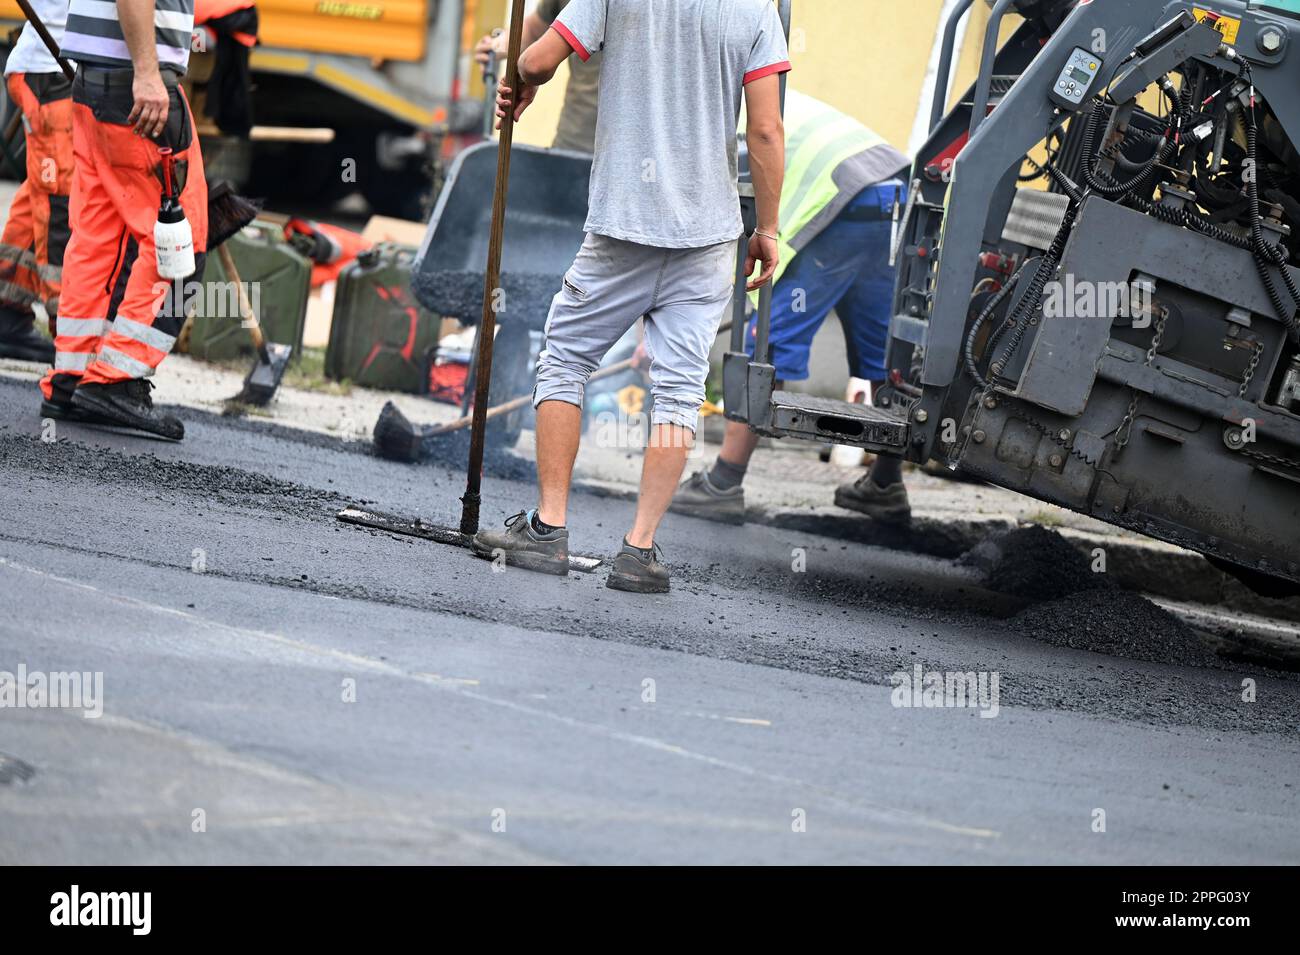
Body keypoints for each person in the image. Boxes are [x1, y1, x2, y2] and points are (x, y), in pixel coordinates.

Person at [471, 0, 790, 595]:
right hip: (707, 235)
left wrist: (521, 80)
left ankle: (548, 531)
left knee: (566, 359)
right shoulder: (757, 11)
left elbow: (539, 59)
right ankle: (638, 551)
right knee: (678, 391)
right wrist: (766, 229)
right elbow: (767, 129)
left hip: (623, 225)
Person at [671, 90, 914, 525]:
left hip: (839, 207)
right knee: (884, 355)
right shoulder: (760, 92)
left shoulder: (718, 115)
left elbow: (718, 220)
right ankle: (885, 484)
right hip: (891, 200)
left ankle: (723, 483)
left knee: (766, 340)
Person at [38, 0, 208, 439]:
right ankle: (116, 378)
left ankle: (73, 376)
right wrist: (148, 73)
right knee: (179, 241)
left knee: (98, 238)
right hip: (137, 89)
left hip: (95, 83)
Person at [0, 0, 72, 365]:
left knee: (40, 196)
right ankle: (71, 333)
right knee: (61, 201)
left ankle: (7, 310)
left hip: (55, 70)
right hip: (50, 73)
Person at [475, 0, 598, 154]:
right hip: (575, 139)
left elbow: (534, 65)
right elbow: (535, 28)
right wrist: (496, 47)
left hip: (598, 147)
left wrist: (523, 75)